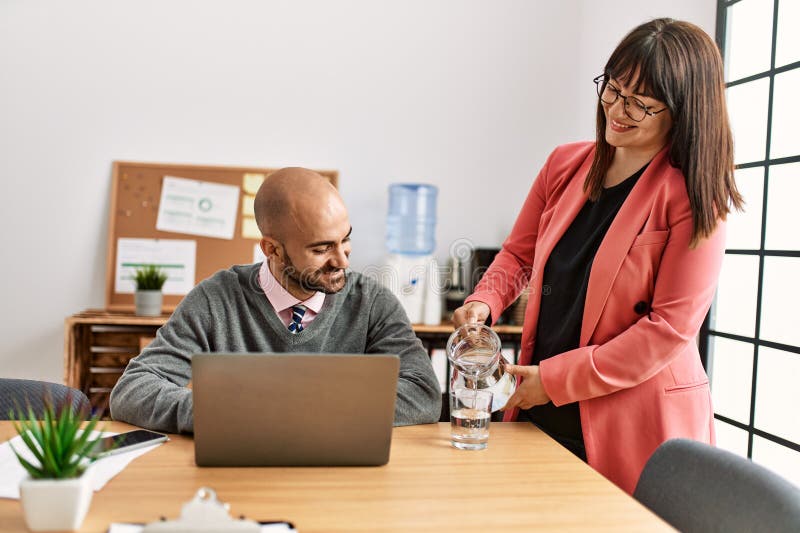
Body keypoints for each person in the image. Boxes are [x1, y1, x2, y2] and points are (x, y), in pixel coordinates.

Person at [453, 18, 743, 494]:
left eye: (640, 103)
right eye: (613, 88)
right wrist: (484, 301)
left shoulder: (693, 195)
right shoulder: (564, 164)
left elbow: (668, 330)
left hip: (635, 419)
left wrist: (555, 380)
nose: (617, 109)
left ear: (684, 111)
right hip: (541, 402)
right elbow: (518, 255)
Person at [110, 167, 441, 433]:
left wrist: (297, 409)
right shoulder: (216, 300)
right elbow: (132, 390)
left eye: (346, 239)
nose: (342, 260)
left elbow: (423, 395)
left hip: (341, 483)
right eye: (322, 248)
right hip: (239, 480)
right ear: (272, 249)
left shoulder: (372, 303)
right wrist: (215, 413)